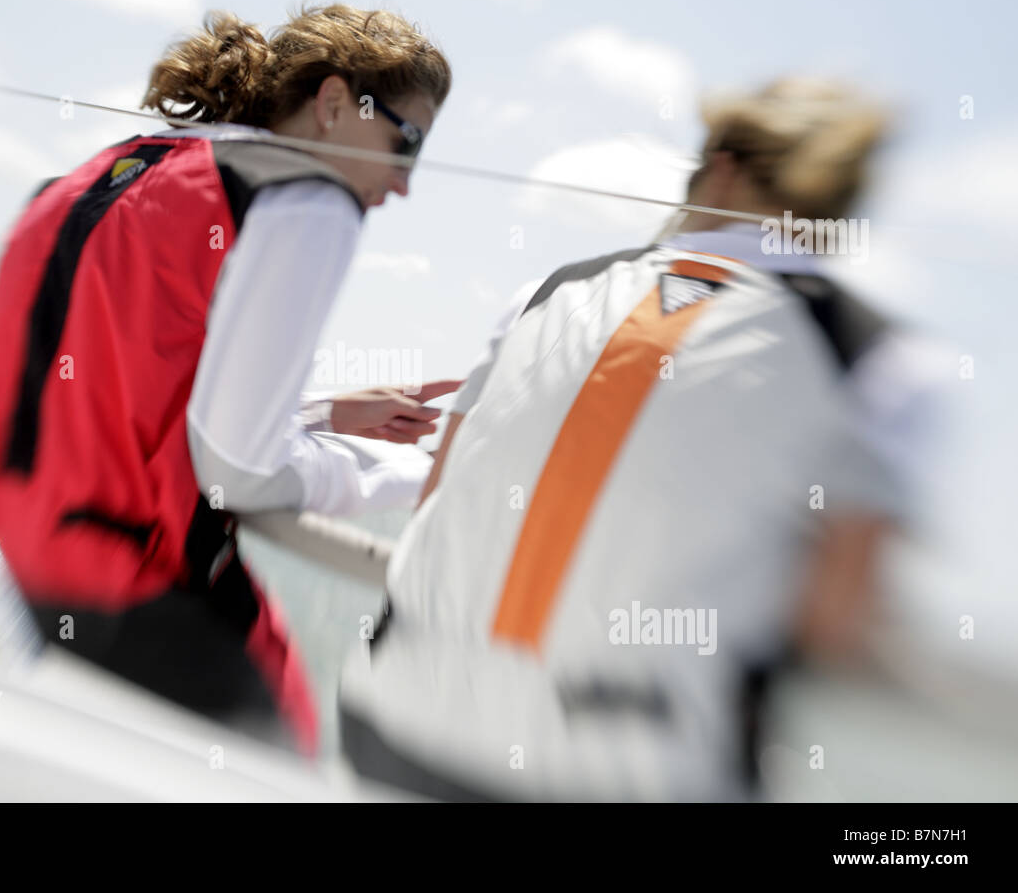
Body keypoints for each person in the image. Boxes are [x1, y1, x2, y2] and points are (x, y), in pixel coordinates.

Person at [340, 78, 941, 799]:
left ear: (718, 165)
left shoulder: (545, 291)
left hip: (389, 723)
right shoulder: (878, 362)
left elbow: (435, 500)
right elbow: (833, 624)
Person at [0, 5, 453, 754]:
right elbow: (235, 471)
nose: (403, 186)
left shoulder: (120, 165)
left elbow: (122, 387)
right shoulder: (310, 200)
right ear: (334, 104)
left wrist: (321, 412)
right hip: (122, 600)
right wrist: (399, 477)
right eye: (407, 144)